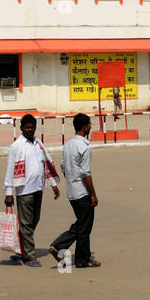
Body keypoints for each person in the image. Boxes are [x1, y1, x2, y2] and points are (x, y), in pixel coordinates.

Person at [2, 114, 60, 266]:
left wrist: (53, 184)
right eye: (26, 127)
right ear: (21, 128)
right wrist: (9, 193)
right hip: (24, 190)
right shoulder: (16, 146)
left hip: (38, 188)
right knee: (26, 223)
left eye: (32, 127)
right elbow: (10, 170)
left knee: (34, 220)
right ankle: (30, 256)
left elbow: (45, 165)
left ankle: (20, 249)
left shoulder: (38, 143)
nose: (29, 130)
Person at [49, 113, 100, 268]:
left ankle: (81, 257)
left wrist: (71, 178)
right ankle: (62, 247)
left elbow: (63, 166)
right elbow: (86, 173)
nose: (91, 127)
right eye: (90, 125)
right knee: (84, 226)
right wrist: (93, 193)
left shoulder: (69, 145)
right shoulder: (84, 147)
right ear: (85, 127)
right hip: (82, 192)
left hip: (71, 192)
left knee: (82, 224)